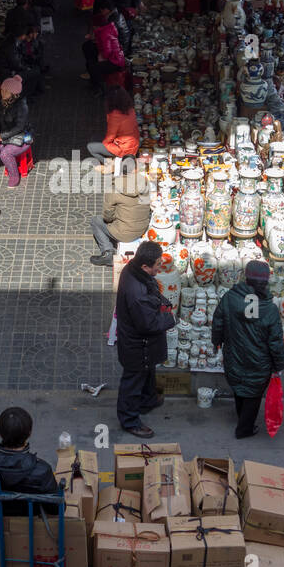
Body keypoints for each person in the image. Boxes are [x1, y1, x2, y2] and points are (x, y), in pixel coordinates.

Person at [212, 259, 284, 439]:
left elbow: (218, 321)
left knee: (239, 386)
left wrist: (217, 342)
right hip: (259, 361)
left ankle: (242, 418)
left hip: (234, 355)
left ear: (246, 278)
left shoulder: (230, 298)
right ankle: (244, 429)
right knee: (253, 394)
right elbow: (275, 340)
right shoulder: (269, 309)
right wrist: (279, 364)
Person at [114, 240, 175, 438]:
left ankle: (148, 400)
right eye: (157, 264)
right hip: (137, 344)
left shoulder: (133, 271)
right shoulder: (137, 293)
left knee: (147, 372)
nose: (160, 267)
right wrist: (169, 318)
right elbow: (148, 324)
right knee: (133, 380)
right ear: (145, 266)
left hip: (142, 343)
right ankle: (130, 420)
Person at [0, 407, 60, 514]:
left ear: (0, 432)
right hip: (30, 521)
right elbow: (57, 508)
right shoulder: (42, 470)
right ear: (29, 433)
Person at [89, 164, 152, 265]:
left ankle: (108, 252)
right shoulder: (145, 182)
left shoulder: (113, 188)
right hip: (143, 228)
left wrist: (115, 218)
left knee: (95, 221)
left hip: (124, 234)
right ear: (135, 170)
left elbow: (107, 216)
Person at [86, 85, 139, 167]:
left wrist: (106, 143)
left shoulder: (115, 115)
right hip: (133, 145)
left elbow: (110, 136)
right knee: (96, 138)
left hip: (124, 149)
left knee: (90, 146)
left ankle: (109, 164)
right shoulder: (130, 109)